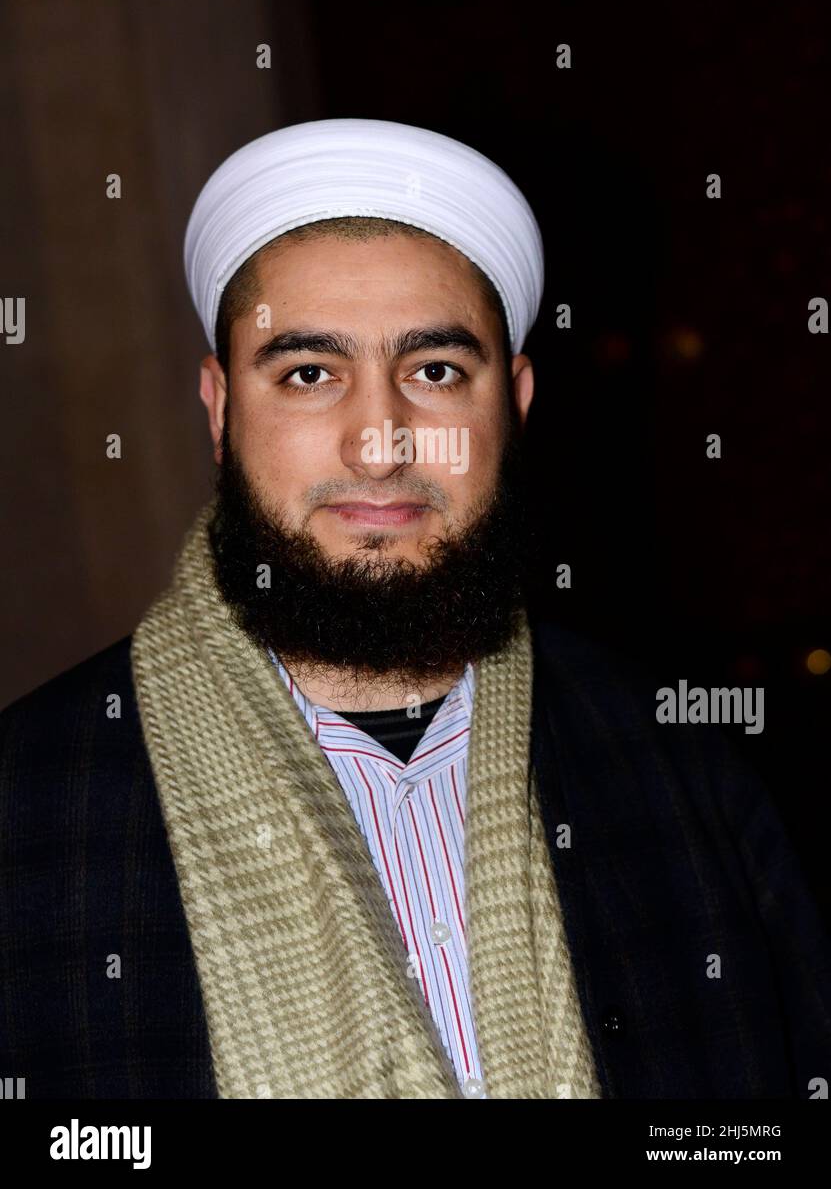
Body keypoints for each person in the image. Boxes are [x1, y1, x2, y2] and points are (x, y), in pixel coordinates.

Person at [1, 119, 829, 1100]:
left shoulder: (682, 767)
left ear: (513, 404)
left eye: (435, 371)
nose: (379, 443)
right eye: (309, 374)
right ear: (221, 410)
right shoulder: (28, 806)